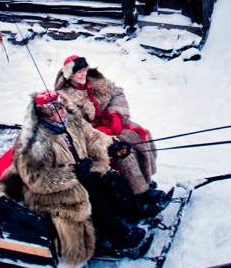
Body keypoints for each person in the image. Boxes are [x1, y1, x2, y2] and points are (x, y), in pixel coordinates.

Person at [0, 91, 152, 268]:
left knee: (110, 178)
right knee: (92, 197)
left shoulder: (71, 121)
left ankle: (129, 215)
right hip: (50, 190)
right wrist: (73, 173)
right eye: (55, 111)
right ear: (43, 115)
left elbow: (93, 136)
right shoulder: (34, 143)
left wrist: (111, 145)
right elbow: (37, 180)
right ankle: (119, 241)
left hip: (81, 172)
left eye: (62, 108)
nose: (62, 113)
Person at [54, 55, 168, 210]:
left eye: (84, 69)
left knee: (141, 135)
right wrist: (99, 131)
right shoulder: (64, 97)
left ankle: (144, 180)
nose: (83, 74)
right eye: (78, 71)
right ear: (69, 75)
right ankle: (139, 193)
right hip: (91, 135)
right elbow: (76, 125)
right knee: (123, 152)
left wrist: (115, 115)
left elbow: (117, 94)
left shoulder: (97, 82)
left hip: (110, 124)